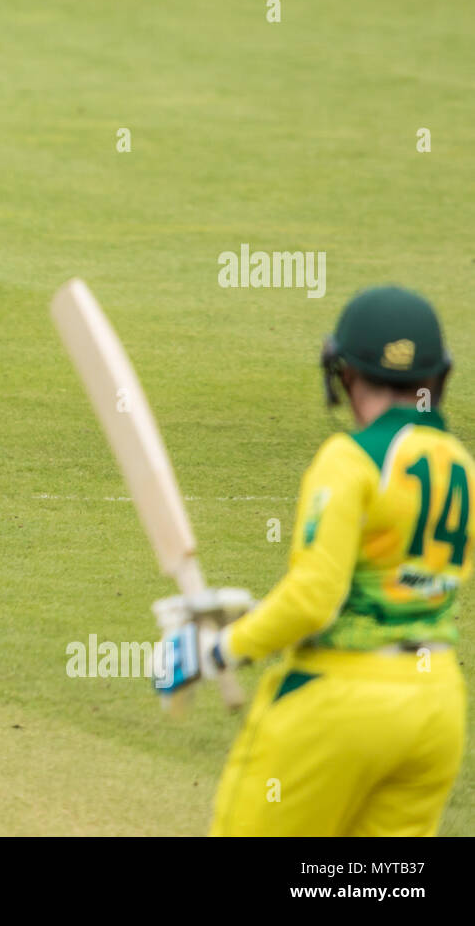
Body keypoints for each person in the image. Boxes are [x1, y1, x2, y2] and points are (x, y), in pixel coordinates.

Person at [156, 285, 469, 835]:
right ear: (436, 379)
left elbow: (314, 599)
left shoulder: (349, 460)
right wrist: (257, 612)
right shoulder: (461, 466)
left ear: (344, 375)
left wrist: (220, 649)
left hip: (341, 705)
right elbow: (397, 581)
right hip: (435, 708)